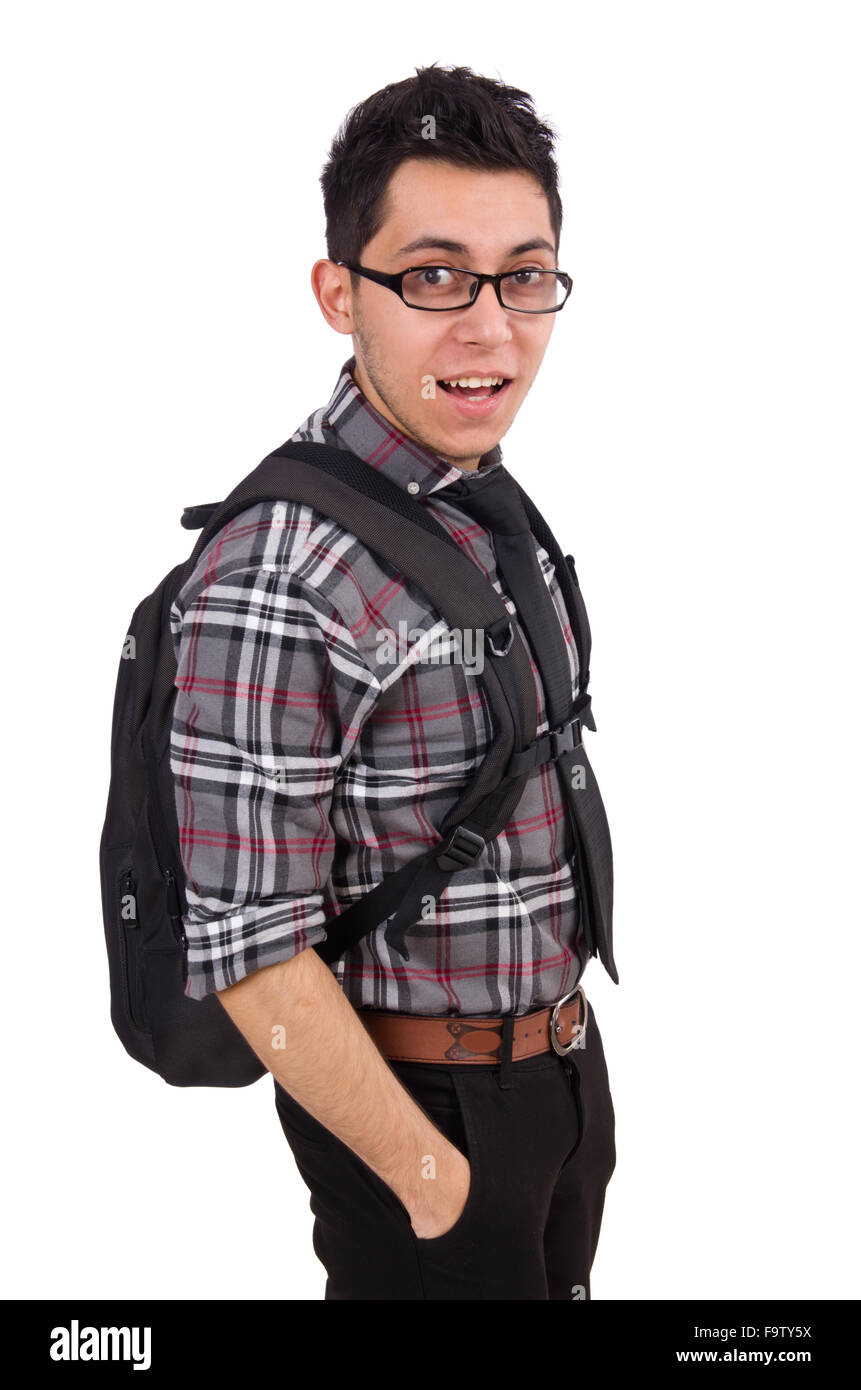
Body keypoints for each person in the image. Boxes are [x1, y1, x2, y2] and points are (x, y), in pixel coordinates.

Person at [169, 62, 617, 1300]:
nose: (491, 328)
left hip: (552, 1085)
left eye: (524, 275)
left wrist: (569, 1099)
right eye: (433, 277)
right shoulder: (277, 572)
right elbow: (248, 948)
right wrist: (433, 1185)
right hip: (418, 1121)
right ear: (339, 293)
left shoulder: (475, 499)